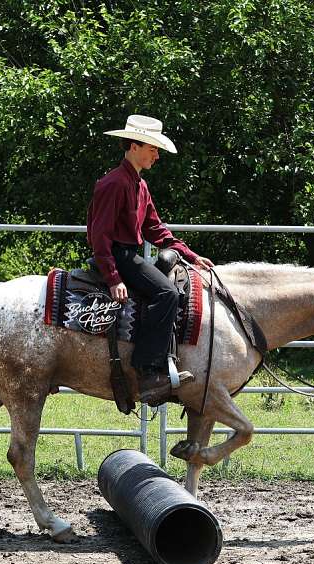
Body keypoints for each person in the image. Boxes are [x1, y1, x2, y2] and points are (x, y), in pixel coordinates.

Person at [87, 114, 214, 405]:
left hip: (127, 254)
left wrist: (191, 256)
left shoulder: (139, 186)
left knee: (169, 283)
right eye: (152, 148)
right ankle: (147, 370)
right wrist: (113, 276)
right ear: (134, 146)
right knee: (167, 293)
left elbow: (155, 229)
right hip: (118, 255)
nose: (157, 155)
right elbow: (100, 235)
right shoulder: (114, 184)